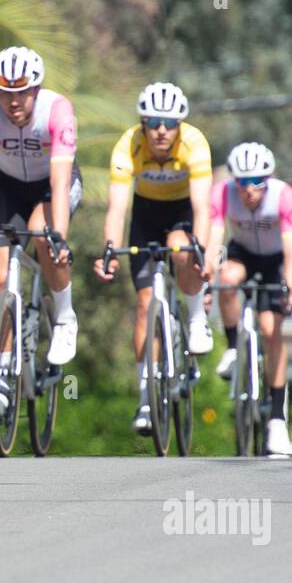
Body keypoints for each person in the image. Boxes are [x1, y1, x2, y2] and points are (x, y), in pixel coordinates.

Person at [0, 47, 81, 421]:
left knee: (41, 235)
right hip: (8, 188)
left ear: (37, 89)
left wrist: (58, 235)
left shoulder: (57, 110)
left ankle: (63, 317)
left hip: (52, 187)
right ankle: (1, 380)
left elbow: (60, 182)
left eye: (22, 92)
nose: (13, 101)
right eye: (5, 92)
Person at [94, 82, 214, 435]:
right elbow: (117, 207)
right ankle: (146, 398)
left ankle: (195, 319)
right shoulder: (128, 144)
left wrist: (202, 250)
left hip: (181, 213)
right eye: (153, 122)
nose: (162, 130)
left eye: (170, 123)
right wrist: (109, 249)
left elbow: (202, 207)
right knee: (145, 306)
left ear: (180, 125)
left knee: (181, 247)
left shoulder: (195, 143)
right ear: (143, 123)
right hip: (145, 217)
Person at [204, 142, 292, 455]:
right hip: (243, 252)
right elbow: (215, 242)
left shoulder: (283, 195)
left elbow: (291, 252)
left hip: (274, 261)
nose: (249, 190)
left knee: (272, 331)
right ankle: (234, 347)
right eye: (243, 182)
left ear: (268, 179)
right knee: (228, 278)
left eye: (257, 181)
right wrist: (209, 276)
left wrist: (290, 288)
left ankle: (276, 419)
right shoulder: (222, 193)